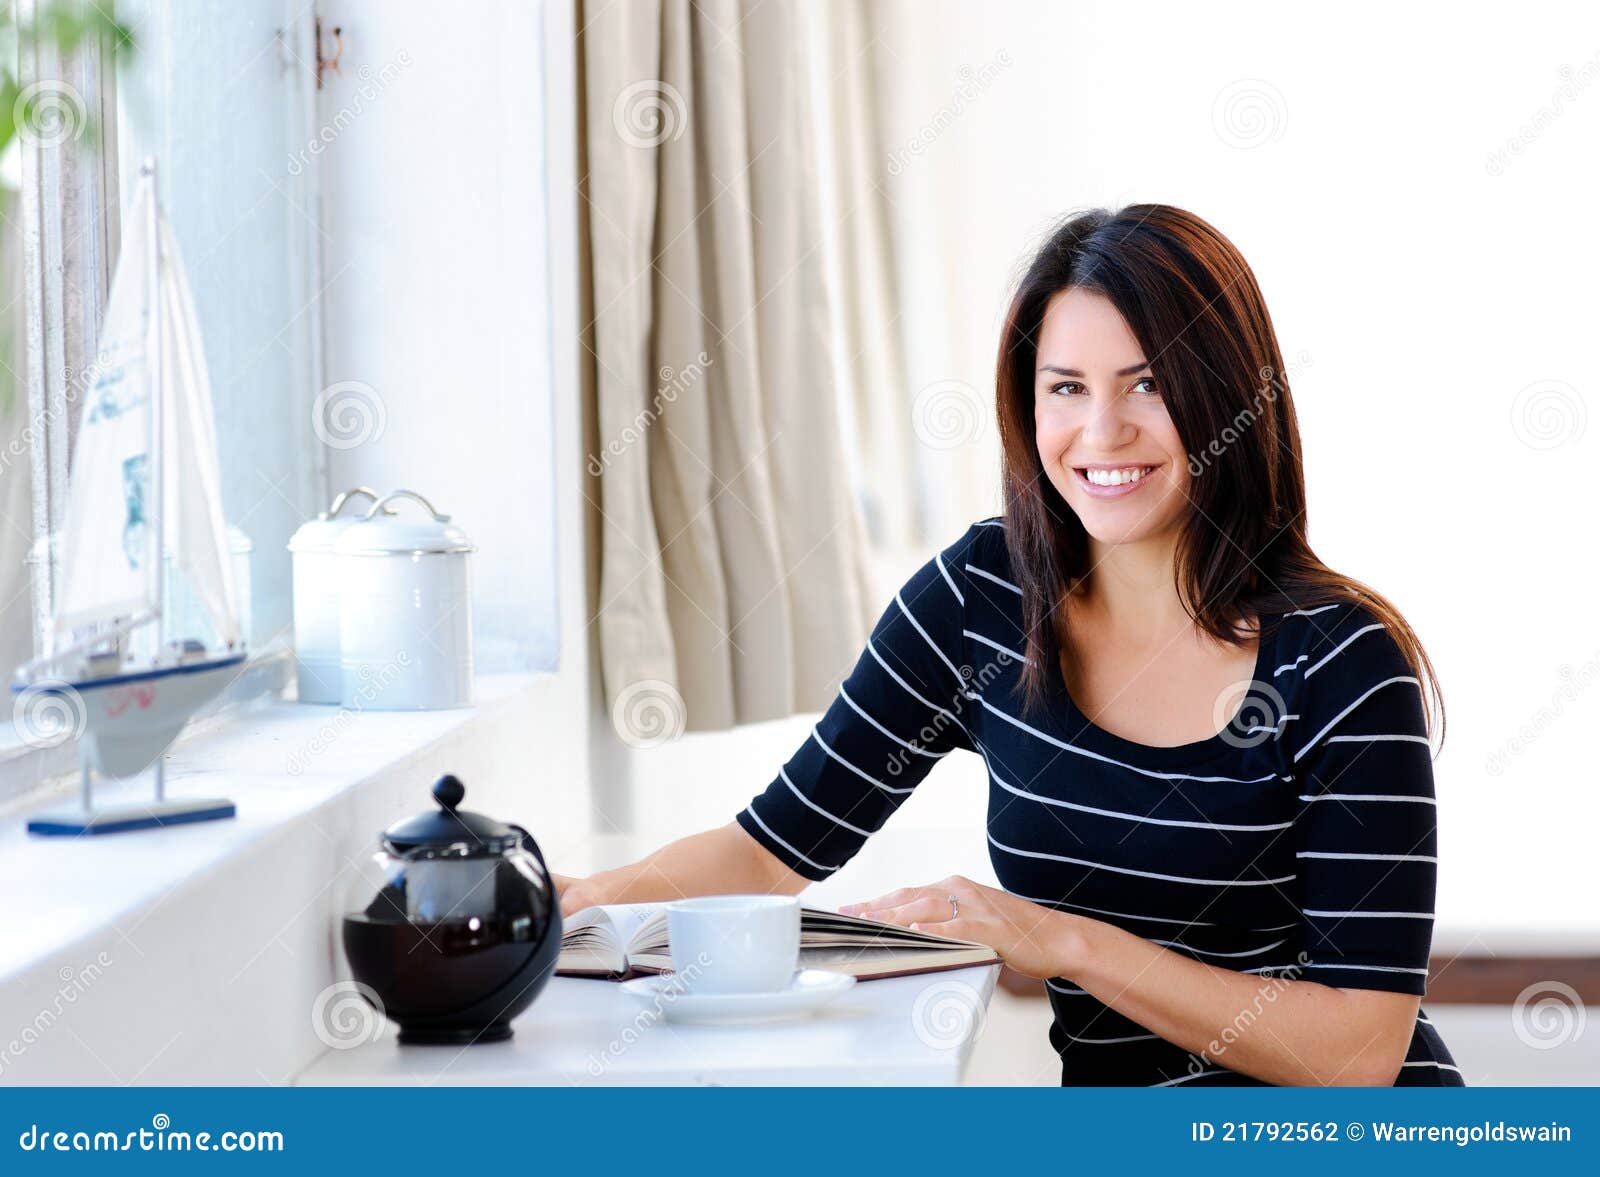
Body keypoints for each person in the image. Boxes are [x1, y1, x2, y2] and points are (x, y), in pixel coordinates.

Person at [558, 204, 1462, 1087]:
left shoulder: (1341, 661)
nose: (1101, 431)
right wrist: (576, 906)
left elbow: (1359, 1052)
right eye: (1066, 387)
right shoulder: (982, 597)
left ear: (1227, 394)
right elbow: (767, 850)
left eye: (1147, 383)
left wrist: (1062, 939)